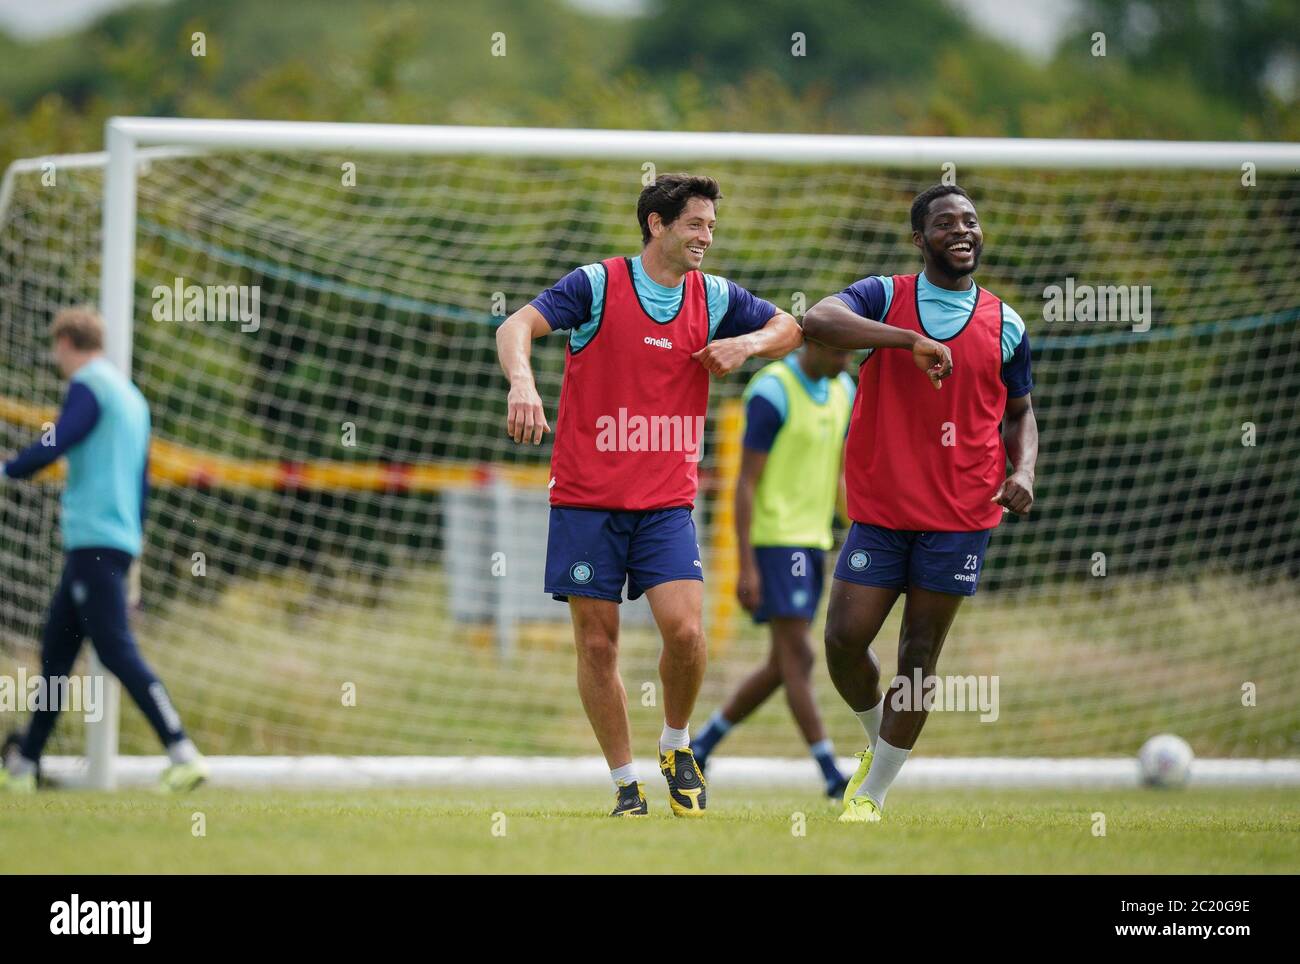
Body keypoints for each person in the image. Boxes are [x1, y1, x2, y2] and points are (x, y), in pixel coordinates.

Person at [495, 174, 801, 816]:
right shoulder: (597, 285)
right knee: (597, 645)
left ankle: (676, 744)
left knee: (685, 633)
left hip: (665, 504)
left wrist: (745, 345)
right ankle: (625, 786)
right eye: (694, 224)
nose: (706, 237)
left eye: (711, 226)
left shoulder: (715, 297)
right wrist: (522, 383)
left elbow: (791, 327)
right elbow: (516, 326)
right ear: (657, 225)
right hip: (586, 500)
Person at [801, 185, 1038, 823]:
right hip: (882, 509)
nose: (962, 230)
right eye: (945, 222)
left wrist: (1024, 469)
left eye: (970, 221)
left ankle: (870, 795)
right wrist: (906, 340)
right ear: (919, 239)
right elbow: (817, 320)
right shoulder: (884, 296)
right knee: (843, 640)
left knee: (918, 651)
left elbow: (1020, 412)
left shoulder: (1007, 323)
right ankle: (878, 743)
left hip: (961, 514)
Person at [0, 307, 208, 794]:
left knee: (115, 649)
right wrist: (135, 541)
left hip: (94, 539)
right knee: (57, 653)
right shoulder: (132, 398)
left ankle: (182, 750)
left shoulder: (89, 386)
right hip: (114, 540)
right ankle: (23, 767)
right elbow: (141, 481)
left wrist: (11, 468)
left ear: (66, 343)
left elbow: (59, 438)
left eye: (57, 349)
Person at [691, 341, 855, 798]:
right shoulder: (772, 391)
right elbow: (744, 482)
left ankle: (702, 746)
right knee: (798, 656)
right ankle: (830, 773)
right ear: (814, 344)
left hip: (814, 542)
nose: (847, 361)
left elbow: (840, 471)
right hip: (776, 542)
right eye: (840, 352)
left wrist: (861, 529)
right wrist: (745, 566)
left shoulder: (845, 389)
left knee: (783, 663)